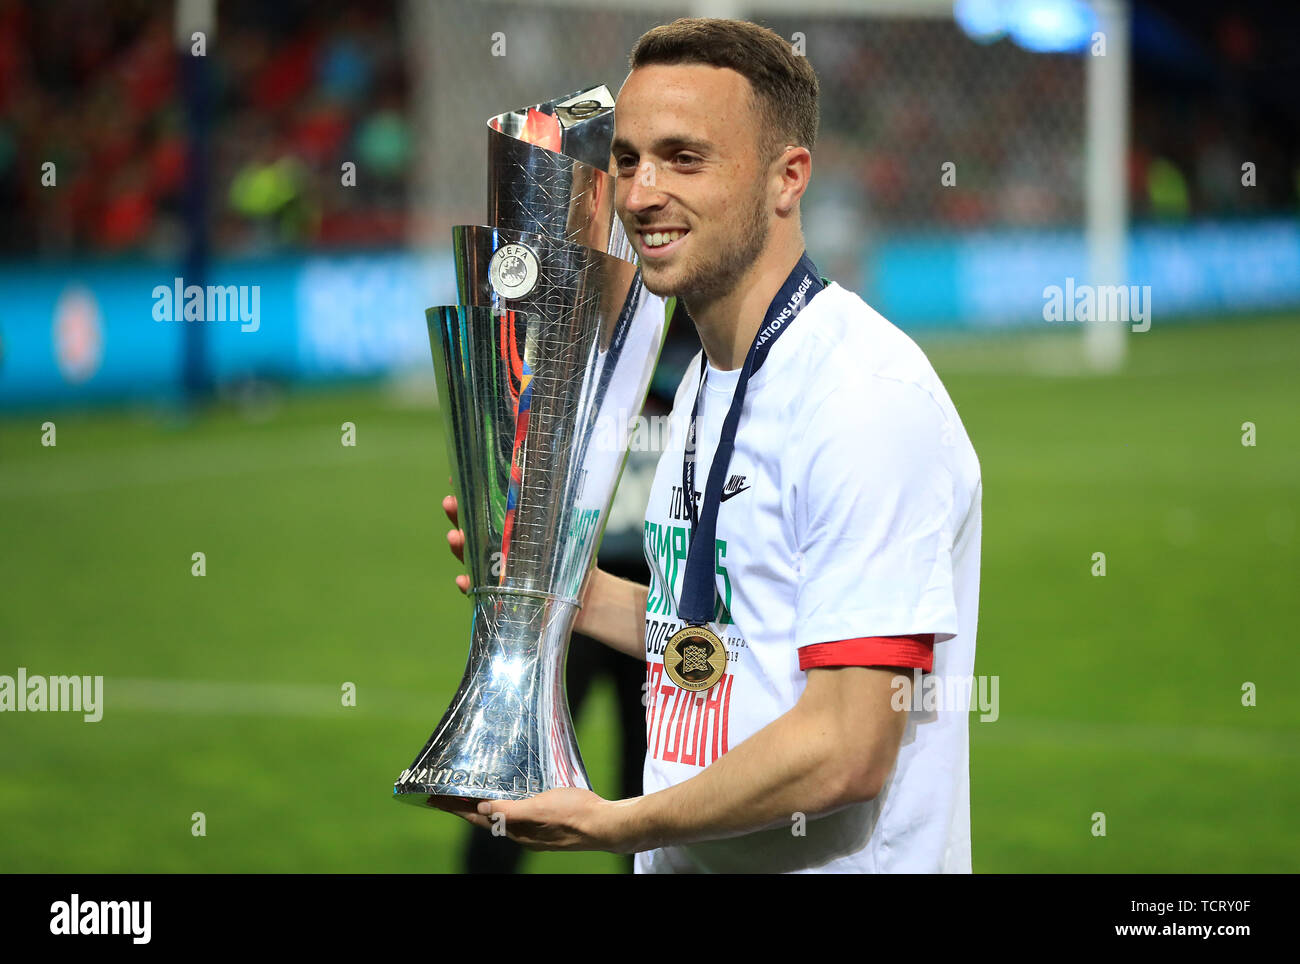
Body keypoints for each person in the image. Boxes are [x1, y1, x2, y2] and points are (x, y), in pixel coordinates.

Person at [439, 17, 982, 873]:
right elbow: (713, 630)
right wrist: (552, 585)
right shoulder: (704, 380)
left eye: (684, 159)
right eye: (626, 159)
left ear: (786, 178)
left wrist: (619, 824)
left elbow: (846, 746)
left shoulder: (864, 399)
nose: (642, 193)